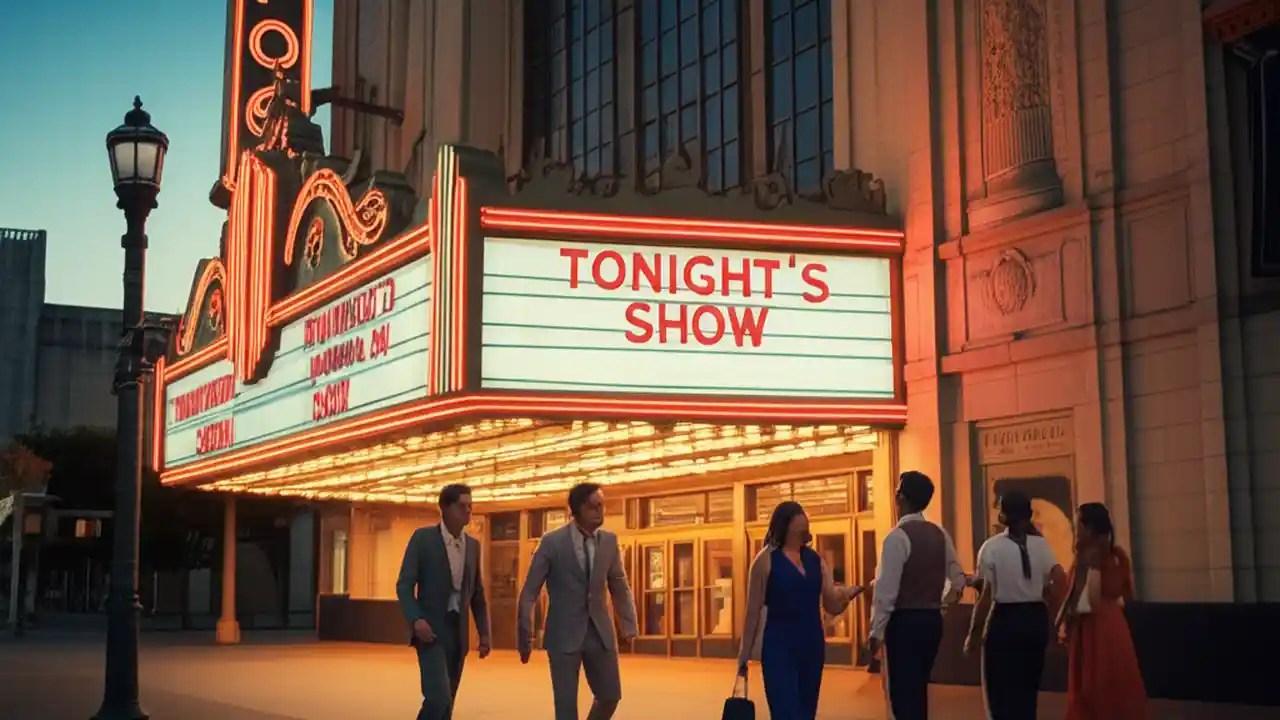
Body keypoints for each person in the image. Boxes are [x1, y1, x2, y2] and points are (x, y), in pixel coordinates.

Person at [518, 482, 638, 720]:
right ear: (578, 510)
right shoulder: (552, 542)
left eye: (603, 506)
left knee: (610, 696)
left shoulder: (609, 542)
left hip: (600, 633)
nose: (600, 511)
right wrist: (525, 635)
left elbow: (619, 585)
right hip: (563, 635)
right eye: (595, 506)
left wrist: (628, 623)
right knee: (566, 709)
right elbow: (529, 592)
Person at [736, 501, 864, 720]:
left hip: (812, 645)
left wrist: (849, 594)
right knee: (786, 710)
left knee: (806, 711)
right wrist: (743, 655)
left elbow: (831, 602)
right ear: (786, 526)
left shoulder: (815, 560)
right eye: (800, 523)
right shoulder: (765, 561)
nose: (805, 528)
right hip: (778, 647)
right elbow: (753, 610)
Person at [867, 470, 967, 720]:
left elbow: (885, 592)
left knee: (901, 695)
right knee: (918, 688)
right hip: (932, 622)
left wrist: (876, 631)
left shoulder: (896, 538)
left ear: (900, 498)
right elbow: (958, 580)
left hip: (903, 624)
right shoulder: (940, 534)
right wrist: (941, 603)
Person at [964, 491, 1067, 719]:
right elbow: (1059, 579)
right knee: (1028, 692)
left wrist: (973, 634)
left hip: (1005, 622)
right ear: (1029, 515)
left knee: (999, 693)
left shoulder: (991, 547)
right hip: (1035, 620)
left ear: (1003, 515)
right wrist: (1054, 619)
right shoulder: (1042, 546)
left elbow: (987, 597)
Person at [395, 483, 491, 720]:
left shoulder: (473, 546)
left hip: (458, 633)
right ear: (445, 508)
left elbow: (477, 593)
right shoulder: (423, 539)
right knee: (438, 699)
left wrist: (484, 633)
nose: (468, 510)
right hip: (430, 631)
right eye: (462, 506)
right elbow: (404, 585)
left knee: (448, 703)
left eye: (470, 506)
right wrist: (416, 619)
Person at [1057, 502, 1147, 719]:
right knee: (1117, 682)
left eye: (1079, 523)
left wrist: (1063, 619)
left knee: (1091, 683)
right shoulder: (1118, 555)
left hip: (1092, 626)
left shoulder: (1088, 556)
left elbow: (1086, 596)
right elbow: (1128, 595)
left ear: (1088, 527)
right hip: (1116, 626)